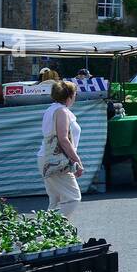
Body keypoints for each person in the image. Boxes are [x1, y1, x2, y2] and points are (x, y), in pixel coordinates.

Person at [38, 80, 83, 222]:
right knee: (73, 197)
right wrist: (77, 160)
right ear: (69, 96)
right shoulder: (62, 111)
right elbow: (63, 139)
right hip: (57, 160)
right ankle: (49, 228)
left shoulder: (51, 109)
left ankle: (48, 231)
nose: (75, 97)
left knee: (56, 200)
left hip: (46, 157)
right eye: (75, 94)